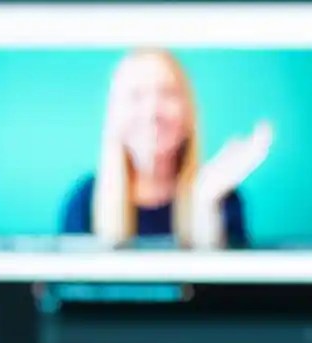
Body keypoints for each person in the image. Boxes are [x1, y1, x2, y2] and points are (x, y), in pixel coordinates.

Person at [60, 48, 273, 250]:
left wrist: (205, 205)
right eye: (136, 96)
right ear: (114, 115)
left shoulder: (223, 199)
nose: (152, 111)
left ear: (188, 112)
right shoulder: (84, 201)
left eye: (168, 94)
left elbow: (224, 289)